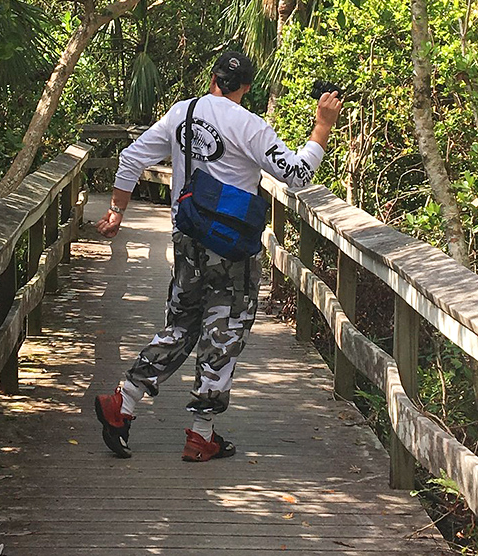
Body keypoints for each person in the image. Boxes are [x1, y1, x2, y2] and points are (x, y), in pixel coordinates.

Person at [94, 51, 341, 462]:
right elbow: (296, 175)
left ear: (212, 79)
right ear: (246, 87)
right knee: (223, 333)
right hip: (231, 250)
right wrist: (322, 126)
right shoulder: (249, 126)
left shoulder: (181, 113)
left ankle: (124, 403)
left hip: (187, 238)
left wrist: (118, 210)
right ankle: (201, 434)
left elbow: (131, 158)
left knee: (180, 326)